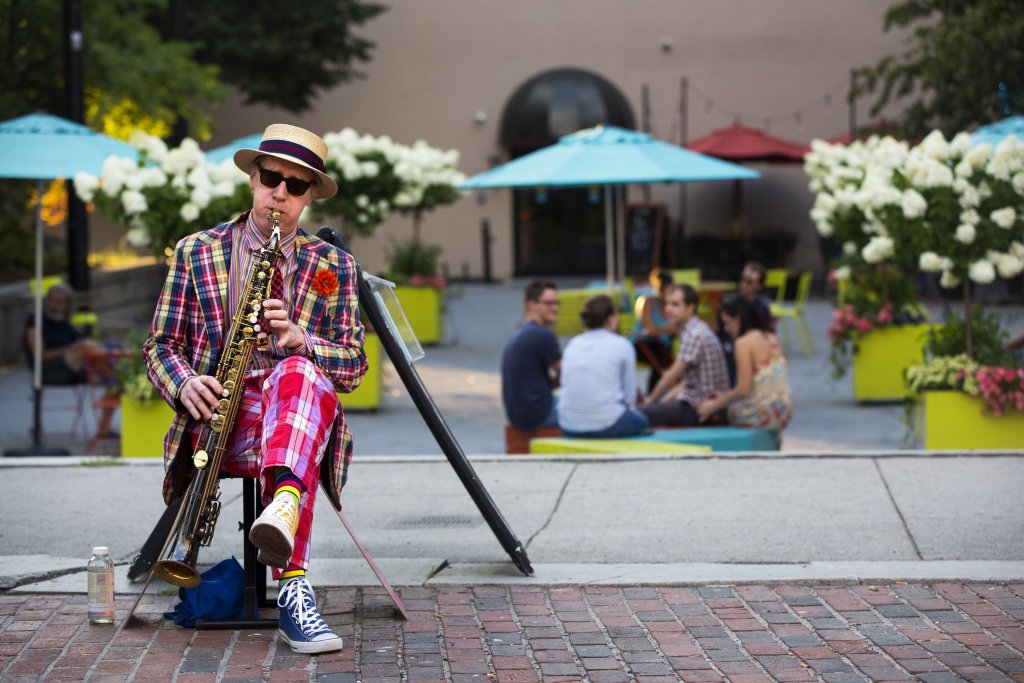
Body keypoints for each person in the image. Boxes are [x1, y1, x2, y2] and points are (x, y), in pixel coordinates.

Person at [144, 124, 367, 655]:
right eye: (272, 178)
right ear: (252, 178)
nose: (280, 194)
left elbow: (354, 366)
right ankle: (294, 568)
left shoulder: (335, 266)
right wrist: (185, 382)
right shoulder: (197, 252)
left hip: (297, 412)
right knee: (298, 399)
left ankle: (288, 558)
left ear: (311, 195)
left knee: (298, 373)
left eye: (296, 186)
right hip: (222, 421)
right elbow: (159, 345)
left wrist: (301, 339)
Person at [24, 283, 117, 433]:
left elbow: (84, 343)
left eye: (61, 302)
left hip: (73, 369)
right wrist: (69, 350)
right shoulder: (36, 320)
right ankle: (115, 379)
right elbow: (39, 355)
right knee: (87, 348)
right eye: (53, 301)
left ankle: (113, 381)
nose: (56, 306)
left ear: (68, 304)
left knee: (89, 346)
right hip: (46, 370)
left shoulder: (65, 323)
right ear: (47, 301)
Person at [698, 294, 793, 431]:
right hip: (785, 408)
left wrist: (716, 403)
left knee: (730, 411)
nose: (726, 329)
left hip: (767, 412)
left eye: (727, 323)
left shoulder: (743, 343)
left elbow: (744, 388)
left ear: (738, 319)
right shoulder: (771, 336)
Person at [558, 295, 650, 438]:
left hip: (568, 425)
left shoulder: (572, 344)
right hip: (608, 424)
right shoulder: (622, 345)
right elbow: (629, 398)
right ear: (611, 318)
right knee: (642, 420)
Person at [639, 284, 730, 427]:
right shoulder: (694, 329)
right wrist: (660, 401)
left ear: (690, 308)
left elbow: (671, 377)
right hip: (699, 403)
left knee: (639, 415)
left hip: (702, 408)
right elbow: (685, 382)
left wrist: (650, 402)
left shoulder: (694, 334)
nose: (668, 309)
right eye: (667, 304)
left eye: (675, 304)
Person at [500, 281, 561, 432]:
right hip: (537, 416)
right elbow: (568, 373)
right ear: (532, 305)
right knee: (589, 410)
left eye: (557, 303)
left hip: (516, 416)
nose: (555, 308)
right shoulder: (542, 334)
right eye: (549, 303)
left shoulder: (521, 331)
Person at [631, 269, 678, 393]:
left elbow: (679, 328)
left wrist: (662, 330)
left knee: (674, 365)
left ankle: (655, 396)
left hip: (663, 346)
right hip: (643, 344)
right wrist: (671, 329)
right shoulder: (647, 301)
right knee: (661, 365)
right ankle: (652, 397)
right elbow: (650, 329)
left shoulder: (672, 304)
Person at [737, 261, 773, 330]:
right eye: (742, 278)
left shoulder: (762, 310)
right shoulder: (730, 302)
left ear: (759, 286)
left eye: (749, 282)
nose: (743, 284)